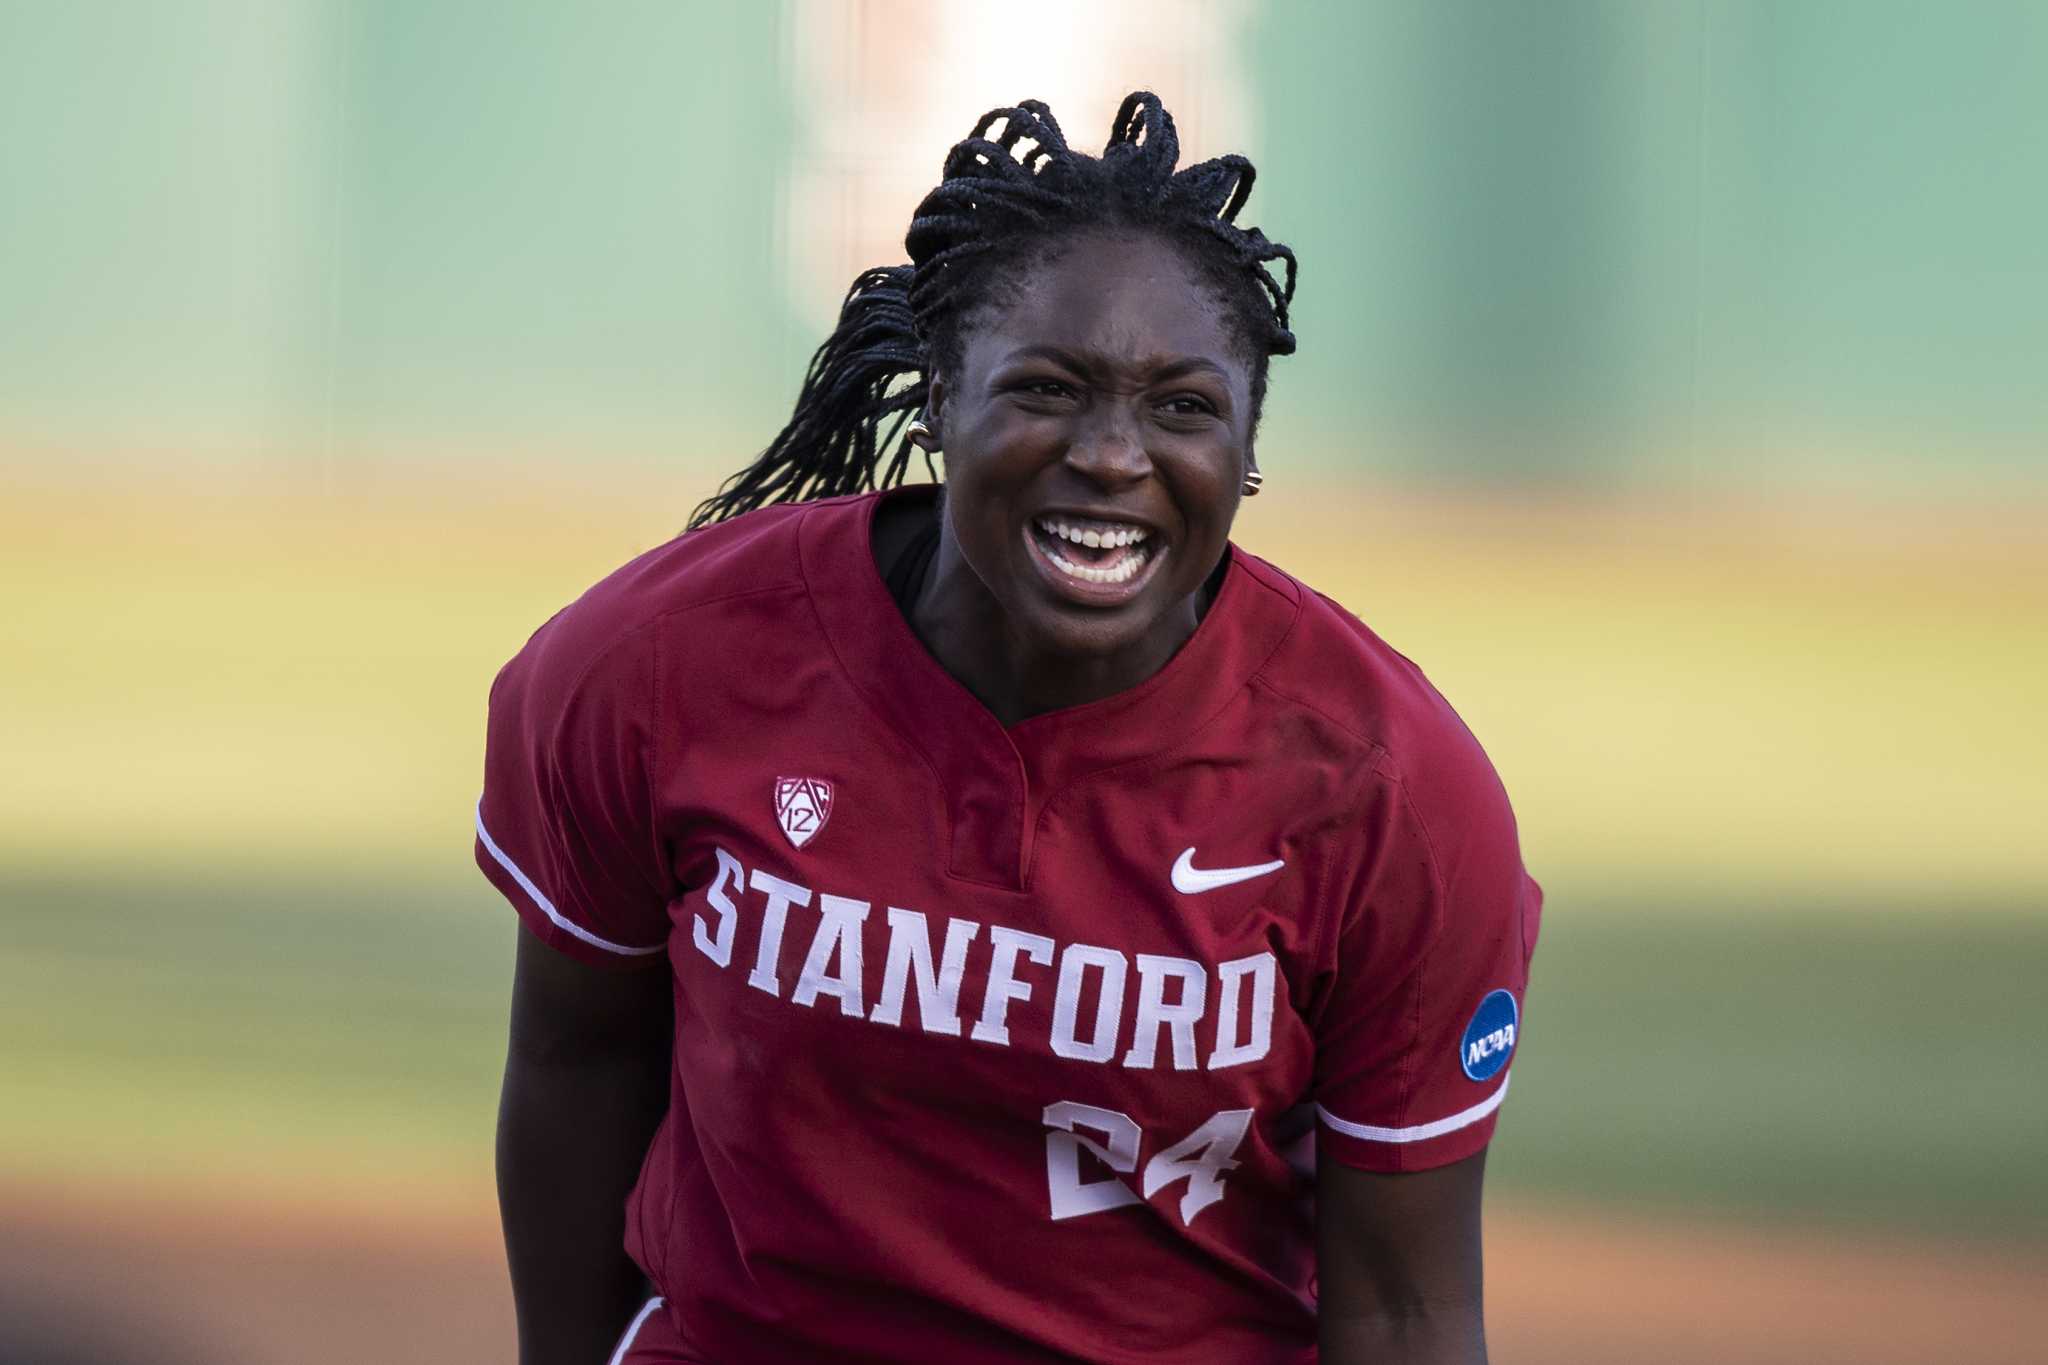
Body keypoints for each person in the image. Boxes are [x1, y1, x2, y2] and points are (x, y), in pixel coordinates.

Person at [478, 92, 1540, 1365]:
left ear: (1248, 447)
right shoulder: (658, 662)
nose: (1111, 456)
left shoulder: (1389, 793)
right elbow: (575, 1063)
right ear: (936, 401)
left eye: (1183, 408)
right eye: (1045, 388)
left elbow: (1407, 1306)